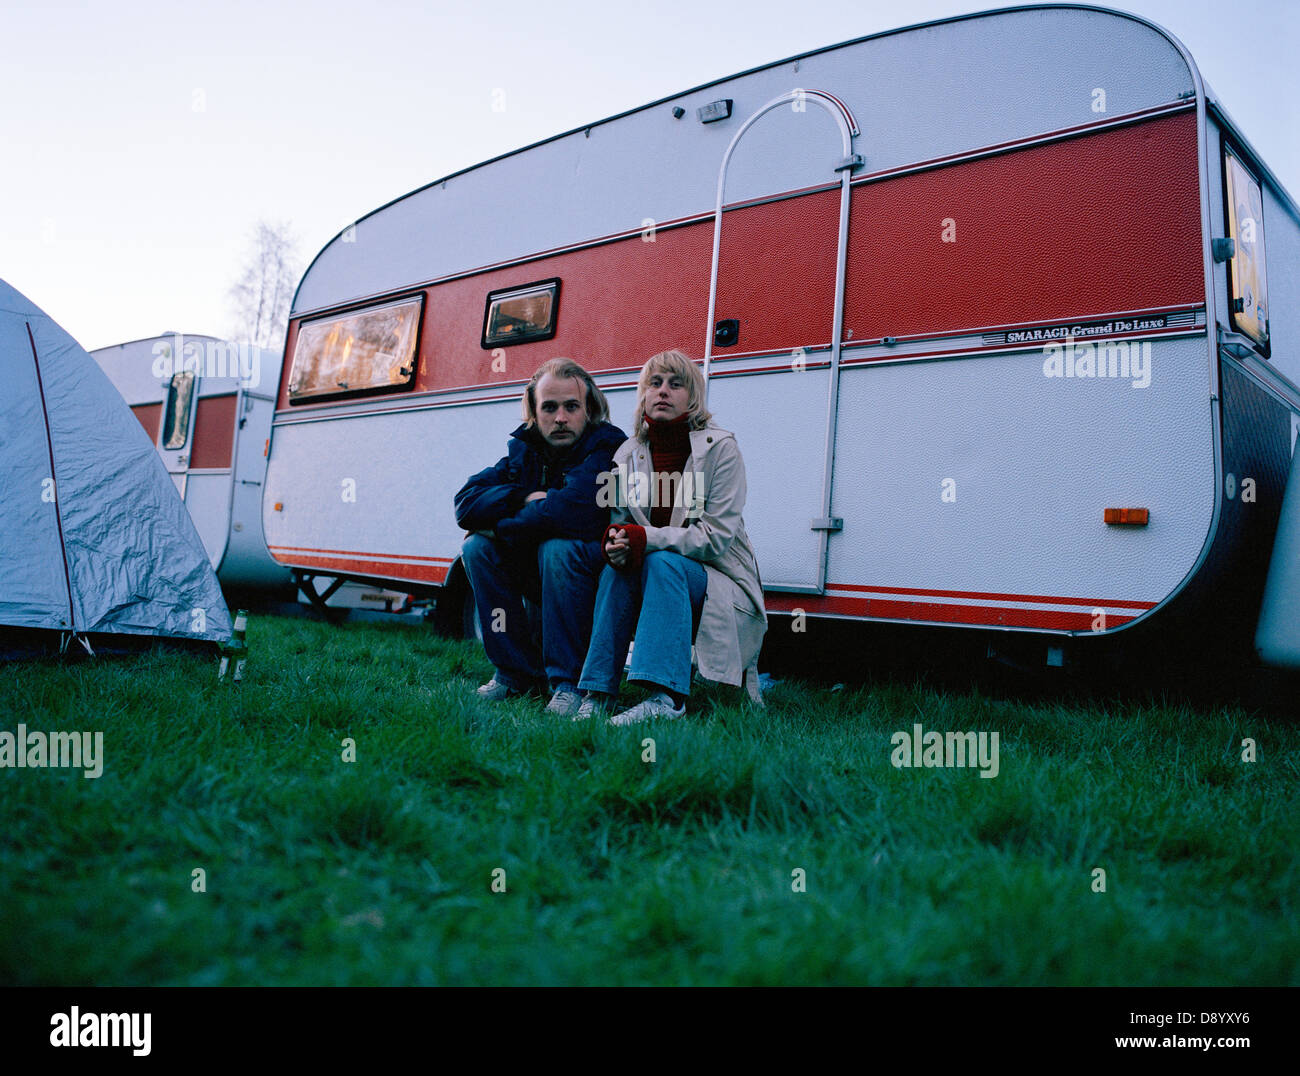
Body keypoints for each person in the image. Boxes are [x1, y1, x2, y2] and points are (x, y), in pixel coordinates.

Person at [576, 348, 766, 725]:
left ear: (692, 398)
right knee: (618, 570)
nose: (663, 391)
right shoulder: (626, 454)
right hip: (662, 581)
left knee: (663, 561)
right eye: (655, 383)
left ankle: (665, 699)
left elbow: (714, 538)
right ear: (643, 394)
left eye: (676, 384)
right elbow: (618, 520)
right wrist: (616, 544)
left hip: (720, 583)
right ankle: (596, 694)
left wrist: (644, 538)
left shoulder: (721, 449)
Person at [454, 358, 627, 715]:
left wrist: (502, 526)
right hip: (540, 572)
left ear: (589, 409)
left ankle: (570, 684)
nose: (560, 418)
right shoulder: (525, 451)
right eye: (549, 407)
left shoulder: (607, 447)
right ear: (534, 411)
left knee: (557, 546)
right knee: (476, 547)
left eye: (571, 406)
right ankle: (515, 674)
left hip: (598, 576)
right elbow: (466, 503)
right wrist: (520, 497)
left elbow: (573, 513)